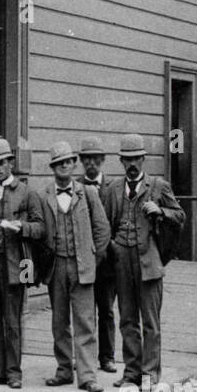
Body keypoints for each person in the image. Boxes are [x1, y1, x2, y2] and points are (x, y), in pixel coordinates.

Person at [99, 134, 185, 391]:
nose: (132, 164)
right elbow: (105, 224)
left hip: (149, 260)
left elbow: (180, 216)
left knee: (150, 321)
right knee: (127, 319)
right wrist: (113, 246)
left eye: (136, 158)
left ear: (144, 159)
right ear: (121, 161)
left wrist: (161, 211)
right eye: (127, 159)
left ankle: (149, 375)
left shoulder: (158, 186)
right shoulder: (113, 189)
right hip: (122, 260)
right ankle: (131, 372)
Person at [38, 141, 112, 392]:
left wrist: (93, 256)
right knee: (59, 322)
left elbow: (102, 229)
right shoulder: (45, 195)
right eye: (59, 163)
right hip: (56, 266)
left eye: (68, 162)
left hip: (82, 265)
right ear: (53, 168)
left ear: (73, 164)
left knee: (85, 321)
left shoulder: (87, 193)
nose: (64, 167)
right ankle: (63, 370)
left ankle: (88, 375)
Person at [0, 138, 44, 390]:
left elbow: (40, 228)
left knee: (13, 318)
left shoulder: (26, 192)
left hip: (18, 263)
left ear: (10, 163)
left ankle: (14, 371)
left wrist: (21, 227)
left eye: (1, 163)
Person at [79, 135, 119, 374]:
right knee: (85, 312)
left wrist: (108, 249)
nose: (91, 164)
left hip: (107, 262)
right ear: (82, 162)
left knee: (105, 310)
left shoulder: (113, 188)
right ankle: (86, 357)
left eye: (95, 159)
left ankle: (107, 356)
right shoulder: (75, 187)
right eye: (87, 160)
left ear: (102, 161)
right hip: (85, 260)